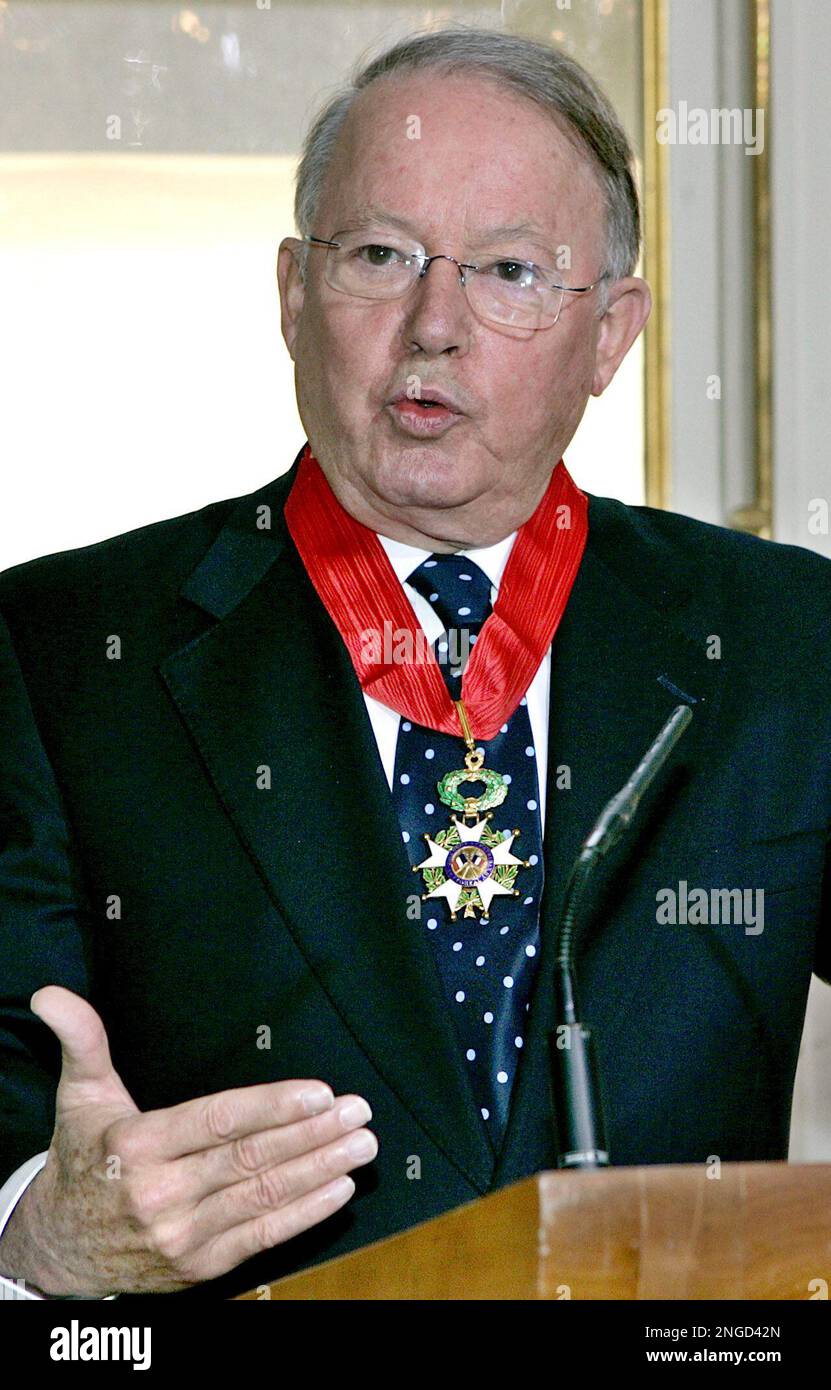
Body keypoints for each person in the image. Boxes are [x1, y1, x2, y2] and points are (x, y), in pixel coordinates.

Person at [0, 26, 829, 1303]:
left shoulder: (787, 642)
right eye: (381, 256)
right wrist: (35, 1243)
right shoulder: (55, 650)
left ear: (611, 334)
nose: (433, 326)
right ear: (291, 294)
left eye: (508, 269)